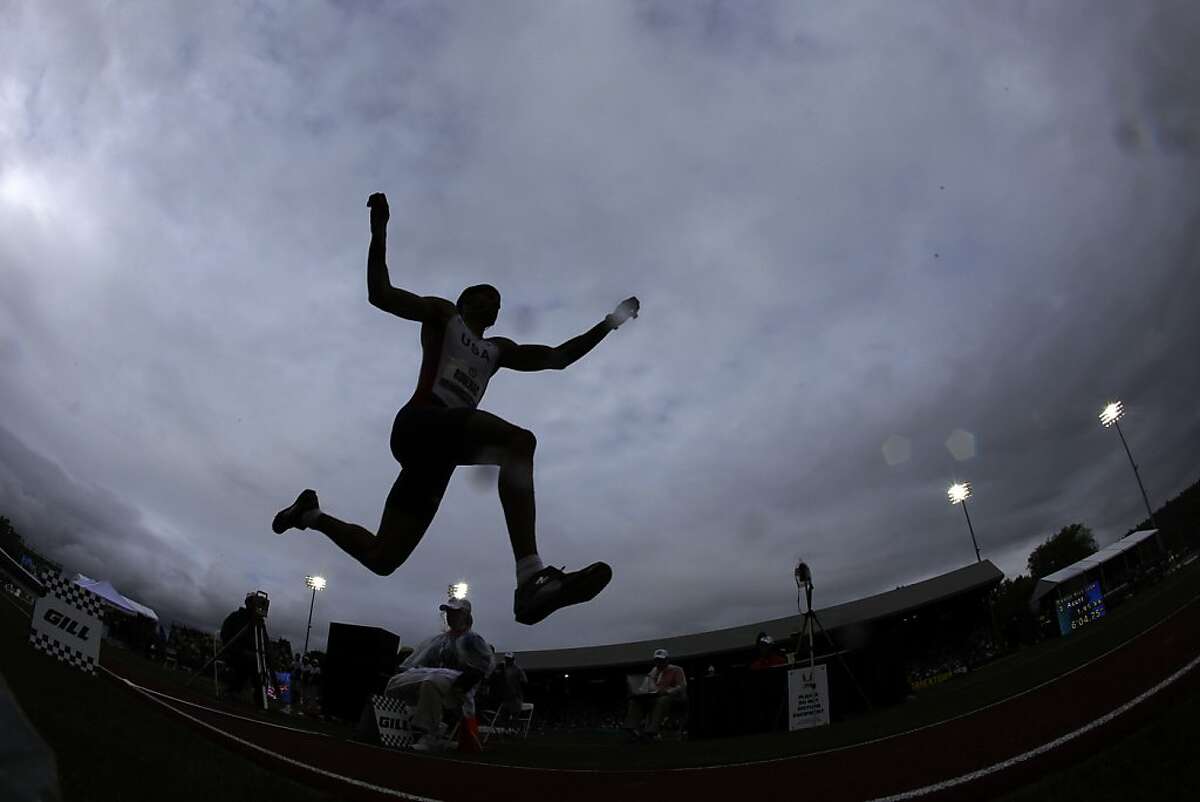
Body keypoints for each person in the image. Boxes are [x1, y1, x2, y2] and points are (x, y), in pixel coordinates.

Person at [273, 191, 640, 626]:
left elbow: (559, 357)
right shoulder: (443, 314)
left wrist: (608, 323)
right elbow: (381, 294)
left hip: (439, 455)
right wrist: (379, 230)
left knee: (383, 557)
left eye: (499, 303)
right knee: (518, 441)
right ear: (466, 299)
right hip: (421, 422)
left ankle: (310, 514)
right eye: (487, 295)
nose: (495, 303)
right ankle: (530, 578)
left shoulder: (498, 348)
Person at [361, 597, 494, 751]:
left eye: (455, 613)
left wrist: (465, 683)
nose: (450, 616)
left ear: (465, 615)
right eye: (449, 612)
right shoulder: (440, 640)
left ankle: (432, 734)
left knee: (432, 681)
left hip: (459, 684)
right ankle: (394, 727)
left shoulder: (472, 639)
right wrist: (406, 670)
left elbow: (484, 665)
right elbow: (416, 661)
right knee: (395, 682)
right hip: (437, 676)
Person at [623, 648, 687, 741]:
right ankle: (631, 728)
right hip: (655, 697)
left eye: (661, 660)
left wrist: (667, 691)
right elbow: (646, 685)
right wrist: (638, 692)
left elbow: (682, 686)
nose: (659, 663)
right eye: (657, 660)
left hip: (673, 698)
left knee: (662, 700)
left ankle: (652, 731)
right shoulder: (654, 671)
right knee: (635, 701)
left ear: (667, 660)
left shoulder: (676, 670)